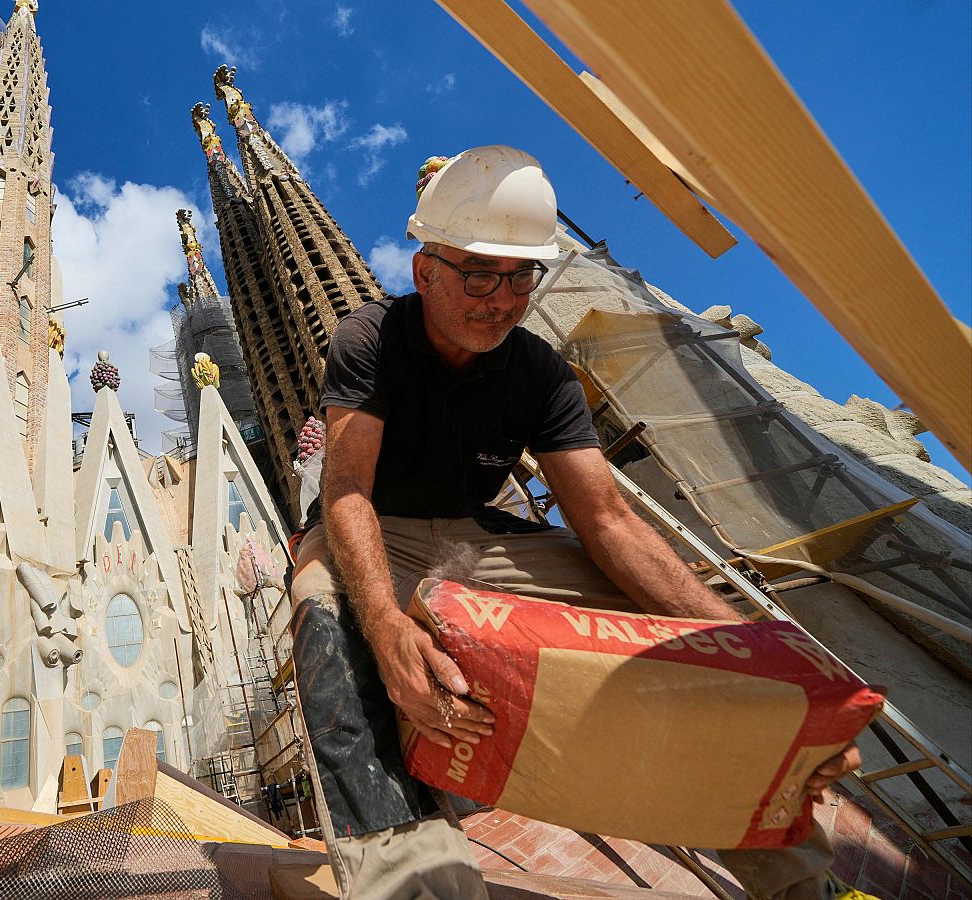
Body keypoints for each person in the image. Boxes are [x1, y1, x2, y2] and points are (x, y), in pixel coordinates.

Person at [288, 146, 863, 899]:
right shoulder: (370, 338)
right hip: (372, 521)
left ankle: (794, 882)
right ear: (425, 270)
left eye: (521, 275)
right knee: (326, 613)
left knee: (677, 632)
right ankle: (411, 882)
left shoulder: (542, 374)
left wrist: (758, 655)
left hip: (473, 533)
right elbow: (347, 488)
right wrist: (390, 629)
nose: (500, 298)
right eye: (478, 274)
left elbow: (609, 522)